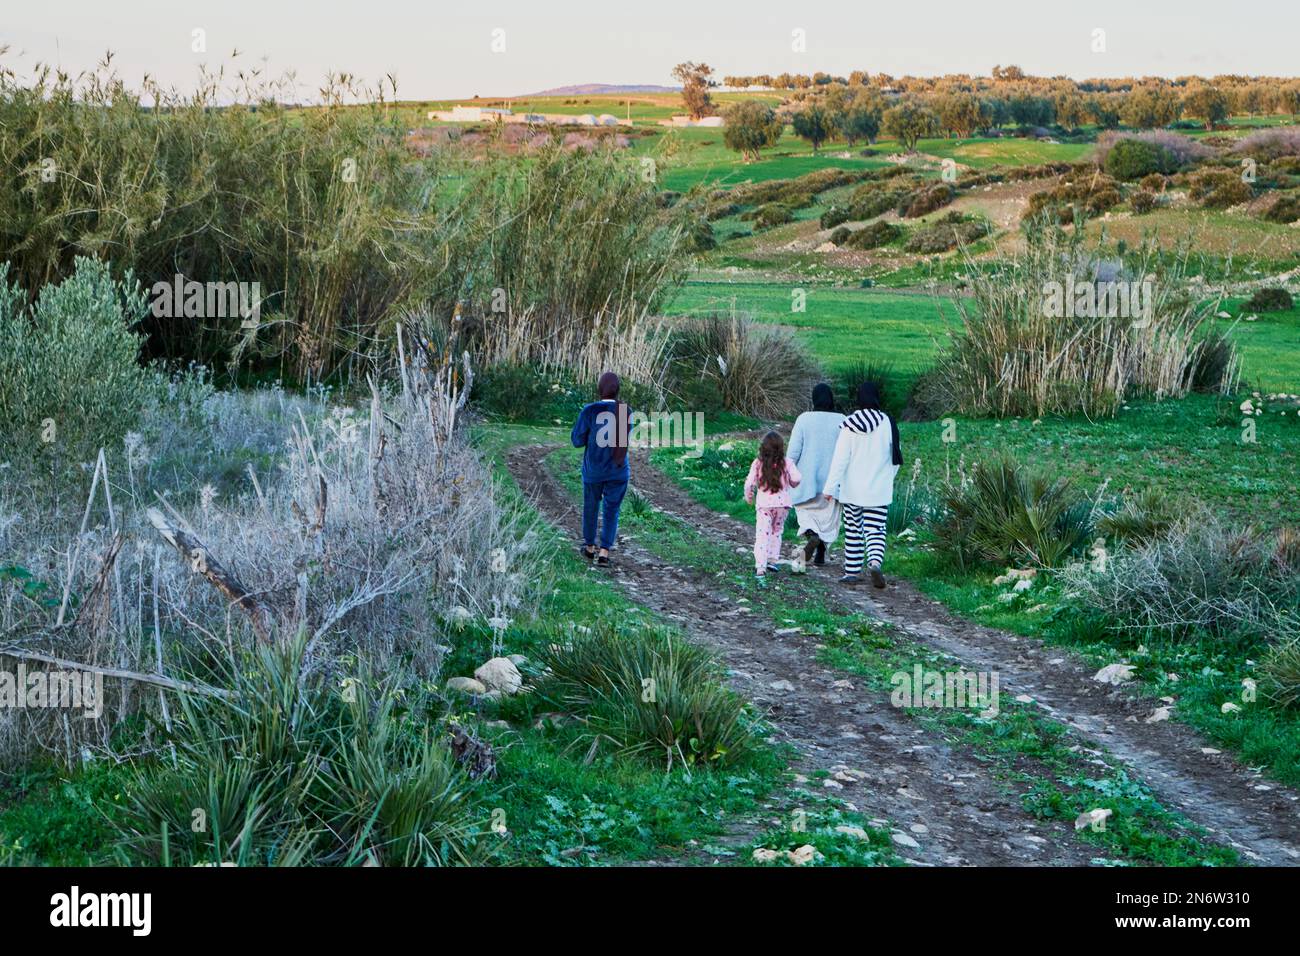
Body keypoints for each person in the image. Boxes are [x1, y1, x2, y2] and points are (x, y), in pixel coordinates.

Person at [822, 382, 902, 588]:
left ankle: (851, 571)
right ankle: (874, 563)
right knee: (876, 529)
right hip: (878, 491)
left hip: (852, 489)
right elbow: (896, 457)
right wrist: (887, 478)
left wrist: (830, 488)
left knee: (853, 529)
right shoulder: (888, 422)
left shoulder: (849, 424)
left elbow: (840, 459)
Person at [570, 371, 632, 566]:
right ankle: (604, 552)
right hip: (618, 470)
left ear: (600, 389)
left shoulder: (589, 410)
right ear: (618, 390)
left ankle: (589, 547)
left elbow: (577, 441)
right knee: (612, 509)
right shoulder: (625, 411)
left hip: (594, 470)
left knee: (591, 507)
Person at [787, 383, 845, 567]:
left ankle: (812, 536)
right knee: (828, 519)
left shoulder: (804, 419)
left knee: (806, 515)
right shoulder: (842, 420)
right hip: (832, 483)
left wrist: (785, 472)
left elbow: (793, 452)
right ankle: (821, 550)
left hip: (806, 481)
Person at [743, 431, 802, 587]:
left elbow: (749, 483)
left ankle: (760, 568)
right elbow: (797, 478)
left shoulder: (758, 463)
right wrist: (791, 483)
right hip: (783, 505)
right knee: (776, 531)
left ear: (763, 447)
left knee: (762, 535)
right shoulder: (787, 462)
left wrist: (749, 496)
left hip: (764, 505)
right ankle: (772, 560)